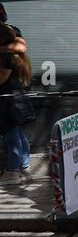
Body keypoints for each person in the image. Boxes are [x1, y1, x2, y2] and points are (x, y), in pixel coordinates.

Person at [0, 22, 36, 182]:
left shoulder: (6, 58)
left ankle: (13, 171)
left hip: (8, 103)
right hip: (14, 100)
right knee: (18, 136)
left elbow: (1, 79)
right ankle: (24, 167)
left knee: (11, 135)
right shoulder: (12, 55)